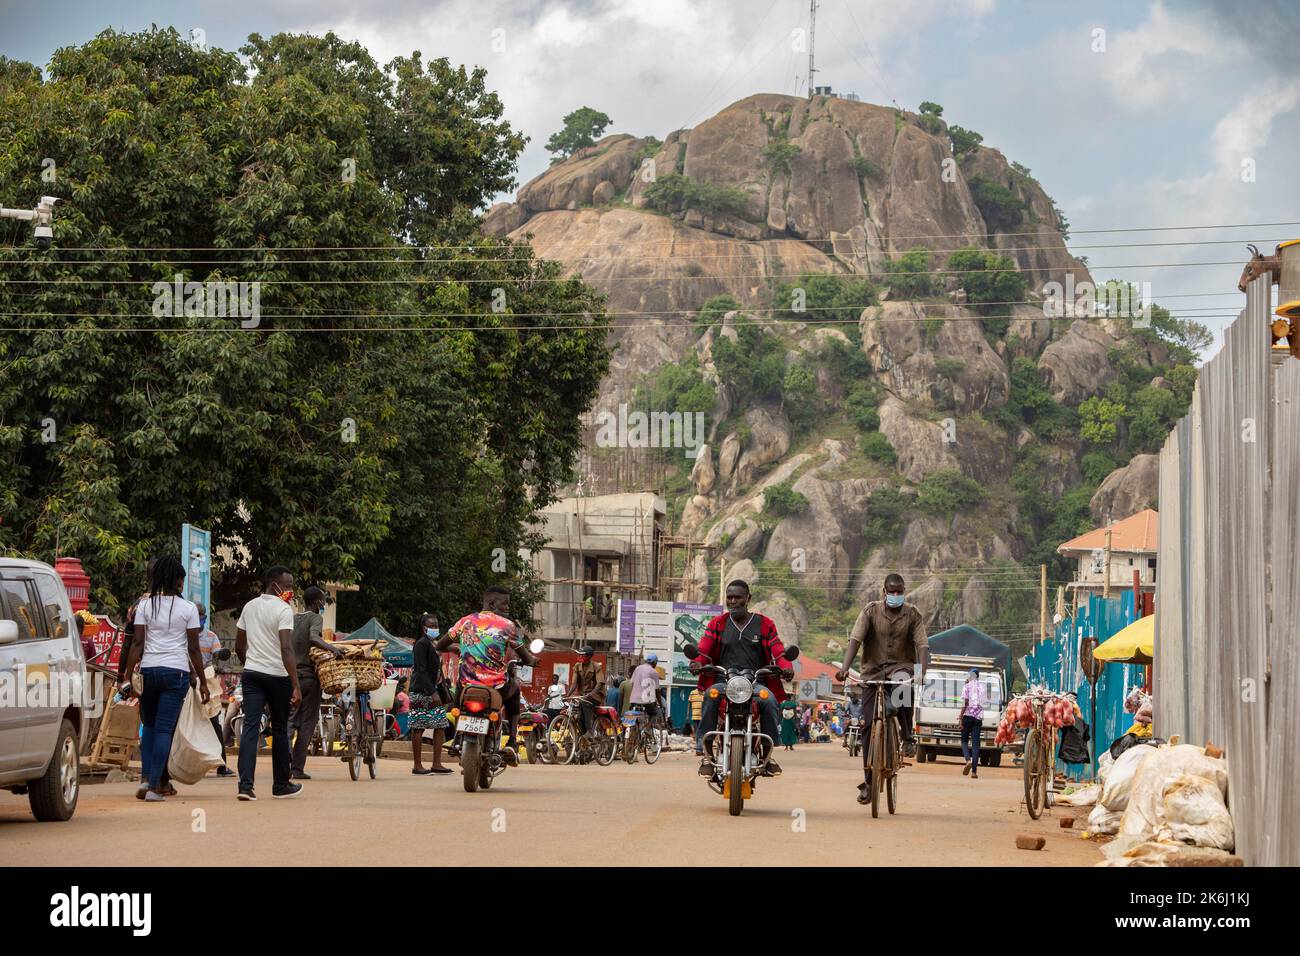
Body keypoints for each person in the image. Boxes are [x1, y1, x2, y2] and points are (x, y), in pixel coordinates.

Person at [122, 555, 209, 801]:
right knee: (163, 729)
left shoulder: (144, 607)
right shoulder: (189, 608)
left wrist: (127, 677)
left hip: (149, 671)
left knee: (148, 727)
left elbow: (137, 644)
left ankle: (145, 779)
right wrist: (202, 681)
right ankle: (153, 786)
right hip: (176, 673)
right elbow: (193, 649)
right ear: (179, 582)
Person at [837, 572, 928, 804]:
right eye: (892, 592)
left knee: (903, 686)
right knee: (867, 725)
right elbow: (855, 640)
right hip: (872, 671)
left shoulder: (913, 614)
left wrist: (921, 672)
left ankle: (907, 736)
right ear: (884, 592)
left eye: (900, 592)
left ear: (904, 592)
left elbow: (922, 646)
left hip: (901, 668)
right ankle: (868, 781)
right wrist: (845, 668)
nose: (896, 595)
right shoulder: (870, 611)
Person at [690, 579, 794, 776]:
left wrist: (786, 667)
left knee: (770, 701)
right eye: (729, 597)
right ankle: (705, 752)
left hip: (755, 684)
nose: (733, 601)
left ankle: (767, 754)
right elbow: (703, 649)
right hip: (724, 682)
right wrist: (697, 663)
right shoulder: (717, 624)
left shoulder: (764, 624)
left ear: (748, 598)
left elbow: (778, 652)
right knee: (709, 696)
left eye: (738, 597)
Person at [437, 585, 538, 766]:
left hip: (467, 685)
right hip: (496, 686)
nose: (508, 607)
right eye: (505, 603)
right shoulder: (508, 626)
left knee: (457, 701)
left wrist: (454, 648)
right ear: (492, 603)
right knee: (515, 693)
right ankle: (513, 741)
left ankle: (458, 738)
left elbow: (440, 645)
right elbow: (525, 656)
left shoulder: (465, 622)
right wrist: (532, 660)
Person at [234, 565, 303, 801]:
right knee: (281, 728)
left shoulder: (249, 607)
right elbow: (286, 648)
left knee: (250, 727)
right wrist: (295, 684)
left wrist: (251, 663)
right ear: (275, 585)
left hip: (252, 674)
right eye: (288, 585)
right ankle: (281, 784)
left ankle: (245, 786)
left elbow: (239, 646)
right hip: (277, 676)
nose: (290, 590)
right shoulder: (284, 610)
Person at [287, 587, 341, 780]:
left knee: (289, 721)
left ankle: (283, 765)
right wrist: (333, 649)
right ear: (318, 602)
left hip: (290, 676)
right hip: (309, 677)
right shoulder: (316, 618)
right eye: (323, 601)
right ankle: (297, 769)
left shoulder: (292, 618)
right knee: (307, 724)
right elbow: (313, 637)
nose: (323, 604)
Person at [194, 601, 236, 777]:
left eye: (201, 618)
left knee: (213, 722)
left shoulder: (211, 636)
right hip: (187, 681)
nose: (199, 621)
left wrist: (219, 662)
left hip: (206, 682)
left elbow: (218, 655)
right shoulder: (182, 634)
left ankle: (221, 765)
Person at [409, 612, 451, 774]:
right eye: (431, 626)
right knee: (418, 727)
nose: (435, 628)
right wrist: (432, 692)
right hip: (421, 691)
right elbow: (420, 670)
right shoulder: (421, 644)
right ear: (423, 628)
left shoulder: (433, 644)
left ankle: (437, 763)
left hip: (433, 691)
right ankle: (417, 765)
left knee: (440, 725)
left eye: (436, 626)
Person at [568, 646, 604, 738]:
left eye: (582, 655)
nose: (580, 657)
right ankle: (584, 737)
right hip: (582, 696)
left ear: (589, 656)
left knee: (584, 702)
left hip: (596, 695)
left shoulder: (597, 667)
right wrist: (567, 696)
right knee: (577, 714)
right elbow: (574, 684)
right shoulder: (577, 666)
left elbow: (599, 684)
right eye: (579, 655)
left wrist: (591, 694)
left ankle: (589, 731)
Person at [958, 668, 985, 778]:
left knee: (964, 741)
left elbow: (965, 702)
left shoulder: (967, 686)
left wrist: (960, 717)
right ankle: (974, 772)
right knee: (975, 745)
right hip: (978, 718)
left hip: (967, 717)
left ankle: (968, 760)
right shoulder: (982, 687)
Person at [628, 653, 662, 724]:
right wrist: (660, 703)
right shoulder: (654, 672)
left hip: (634, 700)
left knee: (632, 716)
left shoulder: (637, 668)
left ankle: (632, 729)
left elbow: (632, 683)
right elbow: (657, 690)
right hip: (646, 701)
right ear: (654, 663)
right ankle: (647, 728)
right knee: (653, 713)